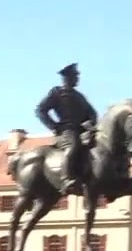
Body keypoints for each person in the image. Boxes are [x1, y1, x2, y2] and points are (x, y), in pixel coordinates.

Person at [35, 63, 98, 194]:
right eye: (75, 76)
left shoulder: (80, 96)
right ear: (67, 78)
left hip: (83, 131)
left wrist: (91, 124)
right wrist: (53, 126)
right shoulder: (57, 93)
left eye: (77, 76)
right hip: (66, 131)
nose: (78, 79)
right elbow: (41, 110)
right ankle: (66, 179)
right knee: (73, 145)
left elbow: (92, 113)